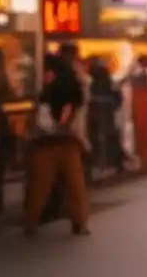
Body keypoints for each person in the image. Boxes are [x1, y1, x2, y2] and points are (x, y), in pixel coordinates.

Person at [24, 55, 89, 237]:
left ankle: (31, 222)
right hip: (69, 143)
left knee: (39, 186)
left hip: (46, 145)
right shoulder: (73, 88)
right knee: (75, 185)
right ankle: (79, 222)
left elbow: (42, 117)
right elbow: (77, 111)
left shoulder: (48, 90)